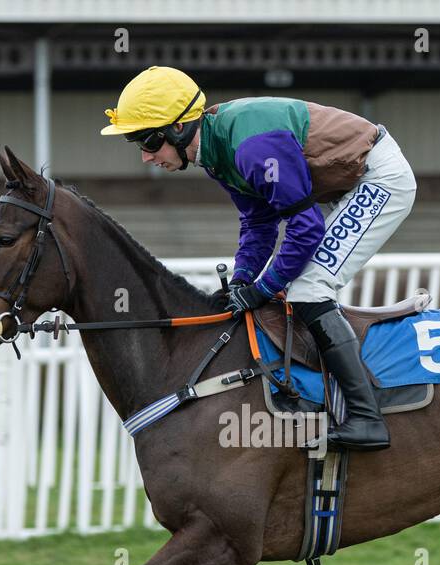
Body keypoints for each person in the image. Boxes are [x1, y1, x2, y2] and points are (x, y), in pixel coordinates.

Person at [101, 66, 417, 451]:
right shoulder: (215, 147)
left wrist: (264, 287)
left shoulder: (250, 147)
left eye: (148, 142)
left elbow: (305, 229)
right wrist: (243, 279)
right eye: (138, 144)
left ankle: (368, 418)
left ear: (180, 127)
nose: (147, 157)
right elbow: (258, 222)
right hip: (343, 185)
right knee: (298, 287)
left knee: (309, 287)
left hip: (378, 177)